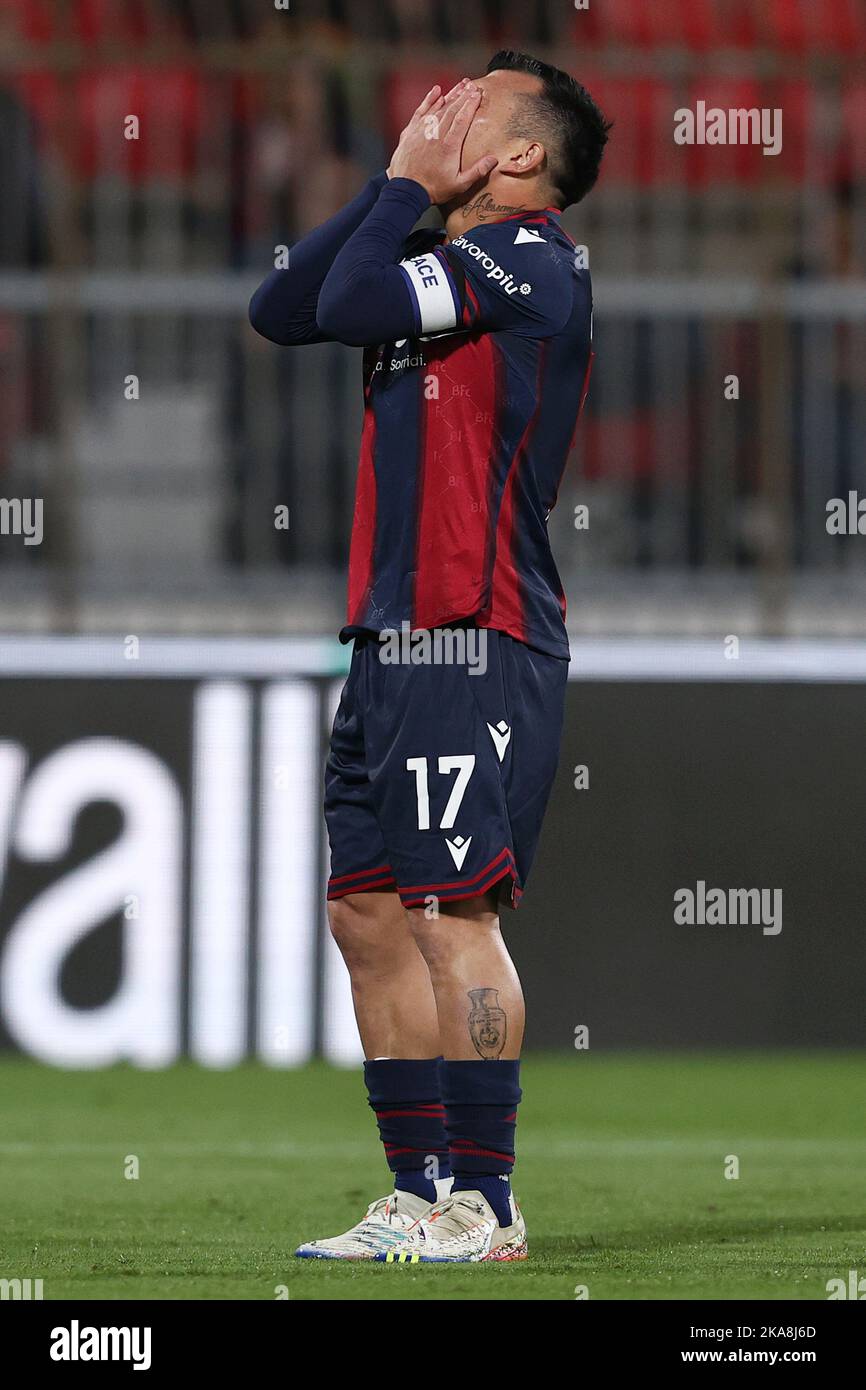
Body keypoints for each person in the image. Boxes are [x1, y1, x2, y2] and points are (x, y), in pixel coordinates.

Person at [250, 51, 609, 1263]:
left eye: (471, 107)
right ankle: (418, 1191)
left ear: (518, 158)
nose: (438, 110)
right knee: (366, 914)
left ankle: (488, 1203)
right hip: (387, 630)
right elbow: (282, 305)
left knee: (454, 913)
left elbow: (348, 305)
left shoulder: (530, 259)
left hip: (474, 625)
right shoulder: (432, 249)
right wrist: (390, 183)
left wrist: (405, 188)